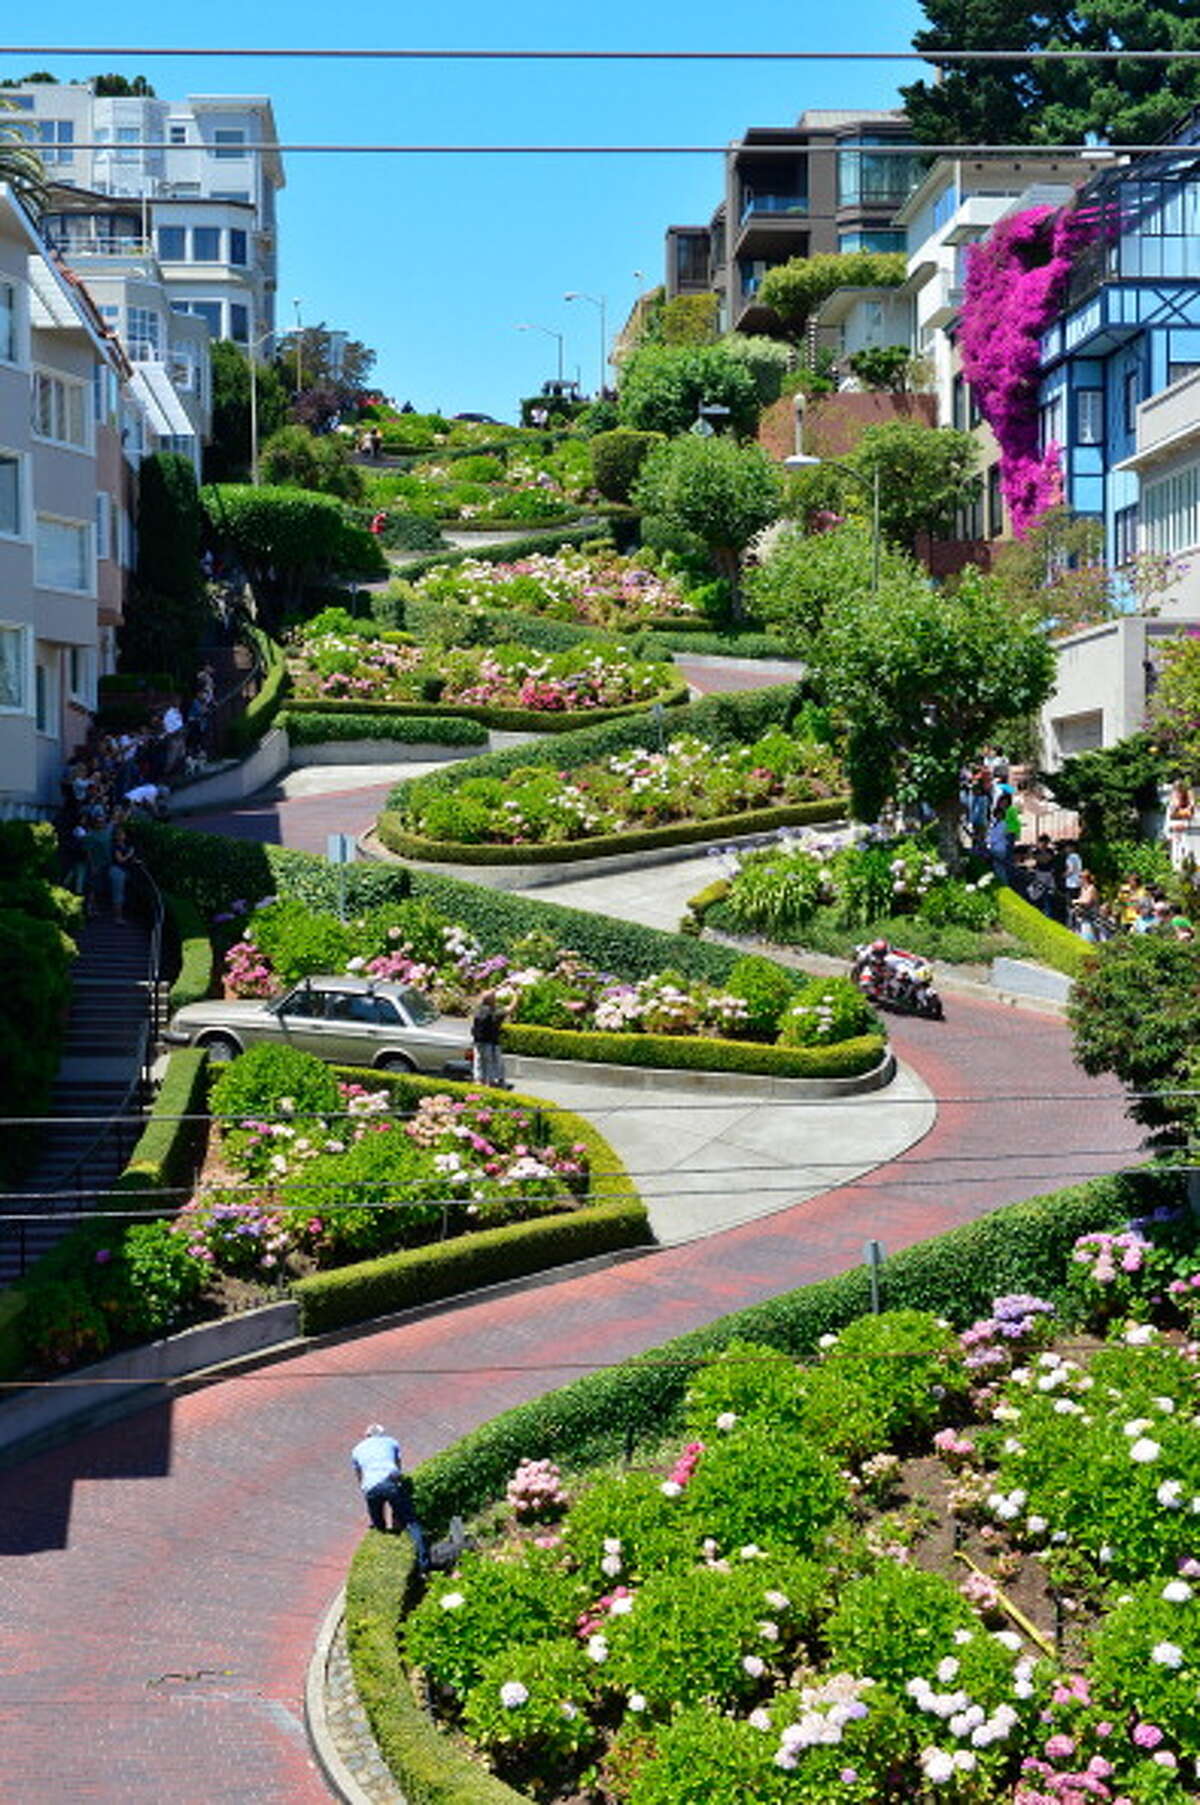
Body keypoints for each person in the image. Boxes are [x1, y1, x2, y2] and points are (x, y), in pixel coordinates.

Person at [350, 1424, 428, 1566]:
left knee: (378, 1526)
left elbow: (359, 1474)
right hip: (390, 1481)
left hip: (371, 1487)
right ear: (382, 1434)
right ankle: (424, 1564)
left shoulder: (356, 1450)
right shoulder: (391, 1442)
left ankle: (383, 1559)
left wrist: (365, 1489)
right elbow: (398, 1468)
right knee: (411, 1522)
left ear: (366, 1436)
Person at [471, 990, 507, 1088]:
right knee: (490, 1062)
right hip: (490, 1042)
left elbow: (482, 997)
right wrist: (516, 995)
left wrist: (499, 987)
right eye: (494, 997)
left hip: (478, 1041)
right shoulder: (493, 1012)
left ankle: (478, 1081)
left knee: (478, 1062)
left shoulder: (478, 1010)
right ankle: (490, 1082)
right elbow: (509, 1009)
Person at [109, 824, 135, 924]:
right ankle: (117, 917)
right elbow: (120, 860)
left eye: (122, 834)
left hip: (125, 871)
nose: (121, 836)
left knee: (123, 894)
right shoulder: (115, 846)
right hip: (117, 871)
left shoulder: (126, 845)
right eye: (118, 834)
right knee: (118, 895)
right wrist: (129, 854)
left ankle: (123, 915)